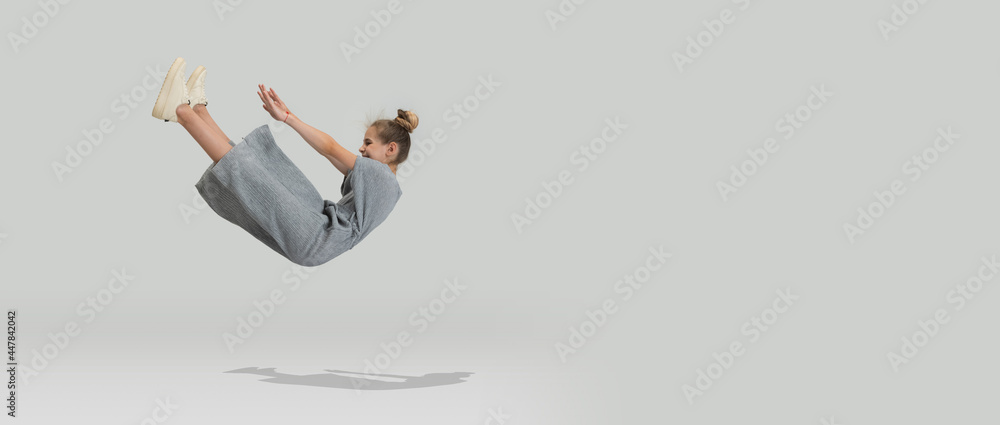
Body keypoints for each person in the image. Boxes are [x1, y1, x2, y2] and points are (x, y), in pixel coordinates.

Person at [151, 57, 416, 266]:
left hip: (317, 237)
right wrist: (288, 117)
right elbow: (331, 154)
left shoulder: (382, 179)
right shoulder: (381, 184)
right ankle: (199, 110)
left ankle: (180, 111)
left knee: (248, 173)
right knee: (262, 168)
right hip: (321, 224)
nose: (361, 148)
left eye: (368, 143)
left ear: (390, 149)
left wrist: (288, 118)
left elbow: (332, 148)